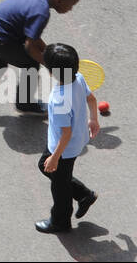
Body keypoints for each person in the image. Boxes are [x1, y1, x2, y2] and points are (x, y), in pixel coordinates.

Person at [36, 42, 100, 233]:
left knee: (59, 188)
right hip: (74, 140)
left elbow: (66, 133)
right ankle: (83, 195)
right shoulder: (78, 79)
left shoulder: (59, 101)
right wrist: (94, 119)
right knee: (45, 167)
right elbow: (92, 98)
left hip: (64, 148)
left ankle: (60, 221)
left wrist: (55, 157)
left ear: (51, 73)